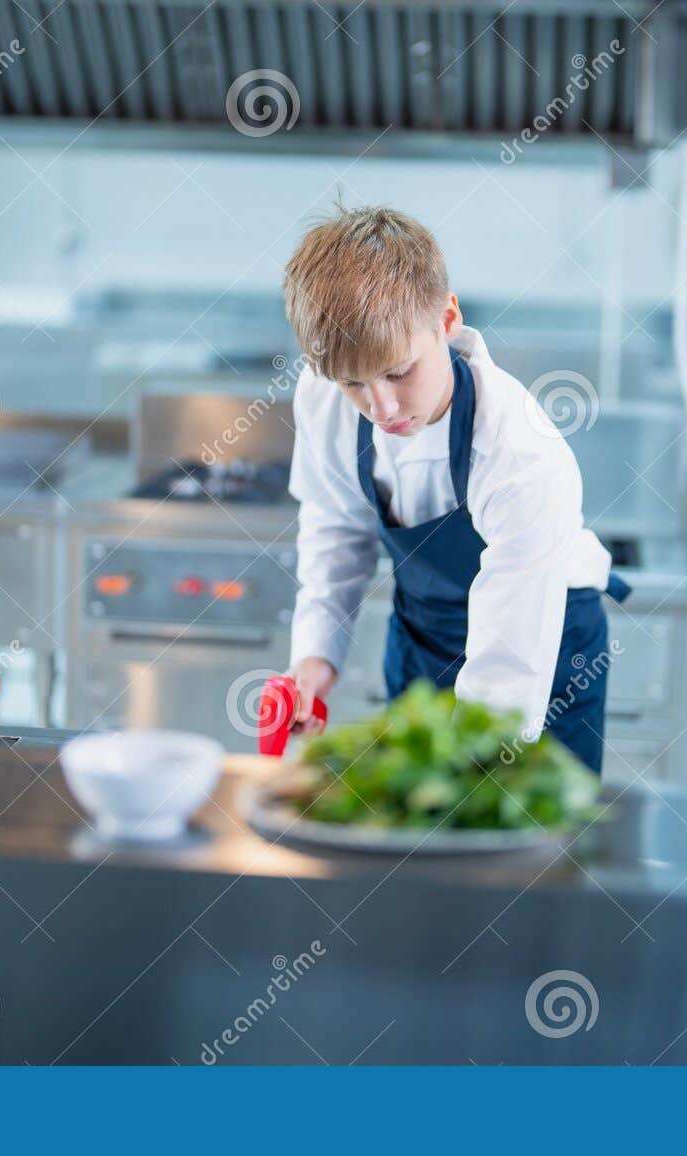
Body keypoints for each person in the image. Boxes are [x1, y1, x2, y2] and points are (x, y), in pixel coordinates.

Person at [279, 206, 629, 773]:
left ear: (446, 319)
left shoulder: (519, 452)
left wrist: (468, 771)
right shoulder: (323, 398)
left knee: (524, 841)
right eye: (353, 384)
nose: (381, 408)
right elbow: (337, 525)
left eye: (398, 372)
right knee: (411, 845)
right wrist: (315, 659)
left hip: (545, 643)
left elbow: (511, 660)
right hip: (422, 636)